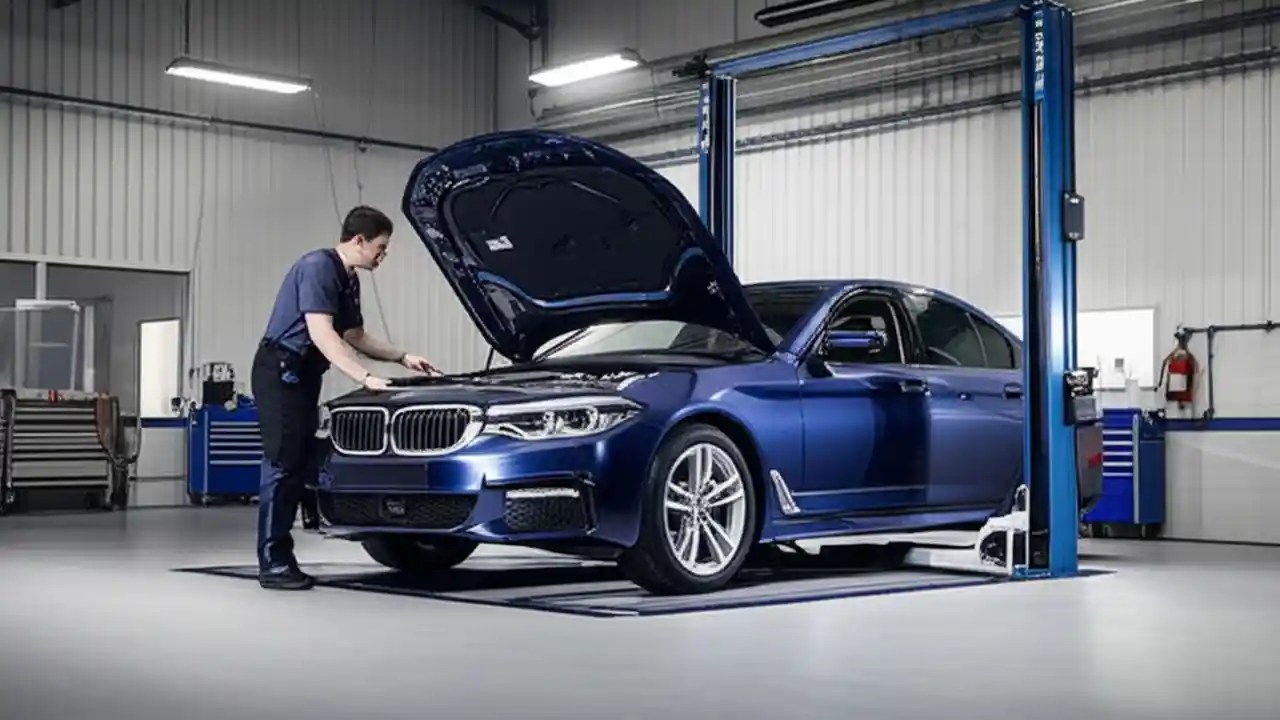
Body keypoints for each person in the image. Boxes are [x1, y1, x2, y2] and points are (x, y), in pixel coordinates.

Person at [252, 205, 438, 590]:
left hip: (304, 375)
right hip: (280, 372)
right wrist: (365, 377)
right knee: (283, 463)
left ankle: (290, 542)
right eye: (381, 247)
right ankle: (272, 562)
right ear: (359, 241)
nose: (383, 255)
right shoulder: (318, 267)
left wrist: (403, 357)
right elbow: (321, 333)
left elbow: (354, 336)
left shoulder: (349, 279)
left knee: (301, 458)